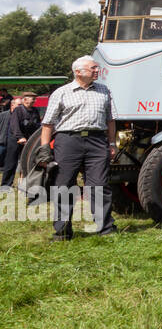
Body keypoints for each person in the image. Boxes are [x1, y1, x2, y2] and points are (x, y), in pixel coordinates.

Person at [41, 59, 118, 239]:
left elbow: (111, 120)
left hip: (97, 141)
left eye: (97, 67)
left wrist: (112, 144)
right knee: (64, 185)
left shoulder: (104, 90)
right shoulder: (61, 92)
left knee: (99, 185)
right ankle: (62, 231)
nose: (97, 70)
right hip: (68, 141)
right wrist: (45, 148)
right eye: (93, 68)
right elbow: (48, 123)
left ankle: (105, 228)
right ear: (78, 71)